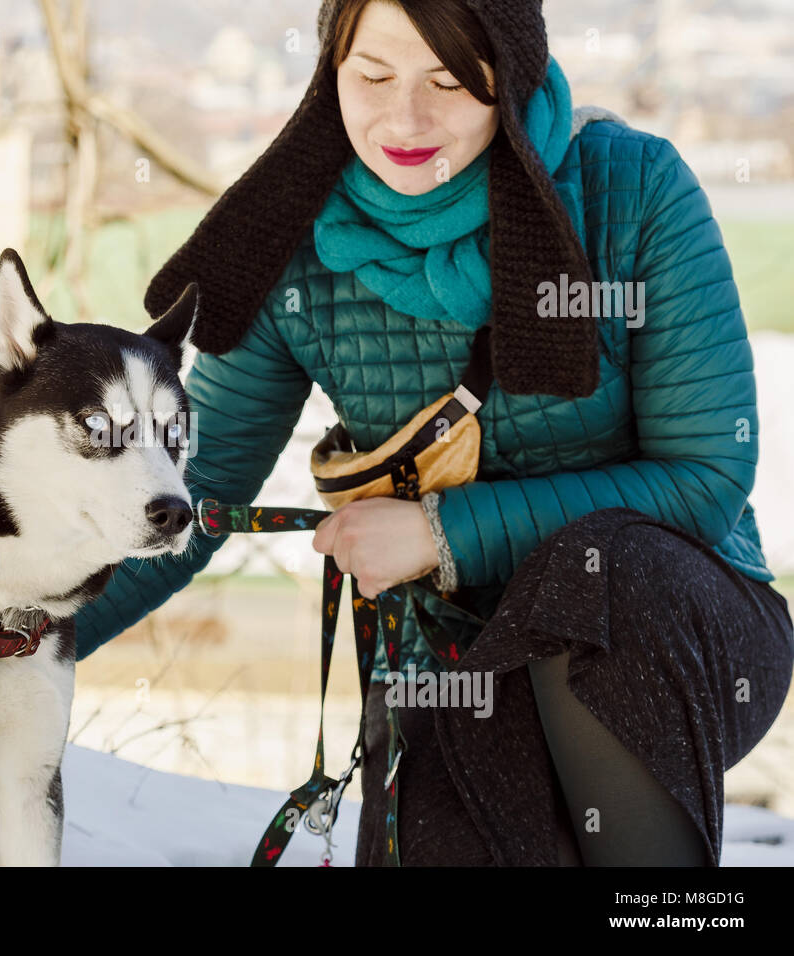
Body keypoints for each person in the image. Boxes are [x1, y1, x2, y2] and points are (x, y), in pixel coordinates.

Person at [71, 0, 794, 866]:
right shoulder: (289, 234)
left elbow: (706, 476)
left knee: (589, 584)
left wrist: (439, 532)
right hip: (452, 663)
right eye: (372, 76)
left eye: (448, 82)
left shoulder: (630, 190)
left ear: (509, 76)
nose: (404, 119)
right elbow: (197, 488)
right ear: (330, 73)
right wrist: (5, 639)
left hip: (667, 628)